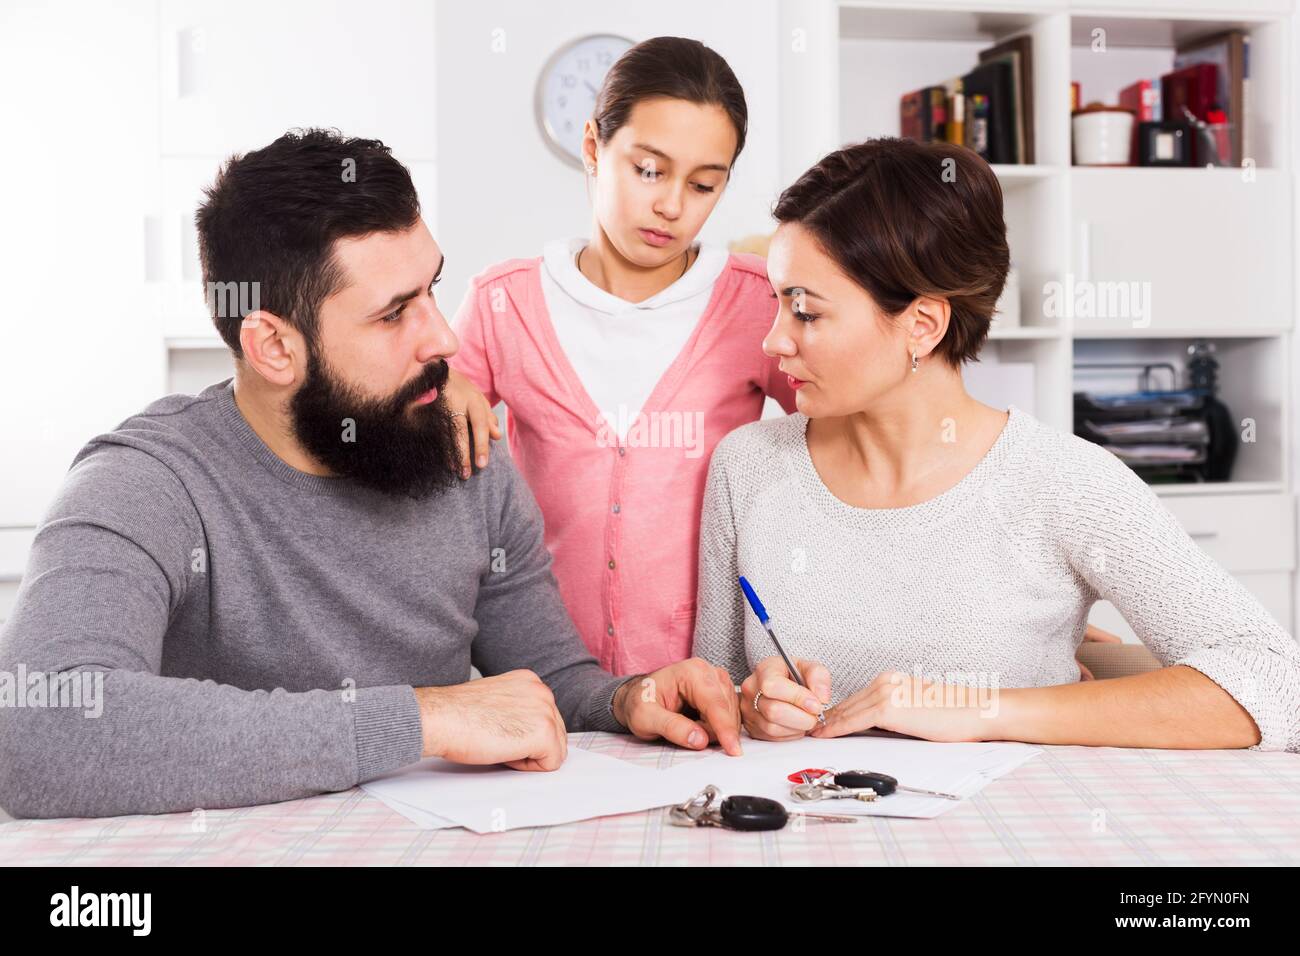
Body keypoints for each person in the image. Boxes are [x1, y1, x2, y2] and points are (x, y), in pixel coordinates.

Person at [0, 129, 743, 820]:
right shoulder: (146, 483)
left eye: (432, 290)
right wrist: (421, 719)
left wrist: (630, 699)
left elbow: (551, 681)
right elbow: (45, 729)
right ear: (273, 347)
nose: (444, 337)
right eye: (394, 315)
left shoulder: (463, 455)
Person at [693, 137, 1300, 753]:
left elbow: (1280, 685)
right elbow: (712, 692)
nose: (773, 342)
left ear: (922, 325)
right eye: (777, 303)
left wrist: (982, 710)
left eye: (807, 313)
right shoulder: (748, 468)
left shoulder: (1065, 482)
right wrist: (752, 702)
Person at [451, 37, 797, 676]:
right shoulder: (505, 302)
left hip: (713, 684)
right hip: (542, 684)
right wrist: (437, 389)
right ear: (593, 147)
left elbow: (848, 431)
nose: (671, 206)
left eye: (703, 184)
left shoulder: (758, 302)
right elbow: (421, 450)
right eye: (649, 170)